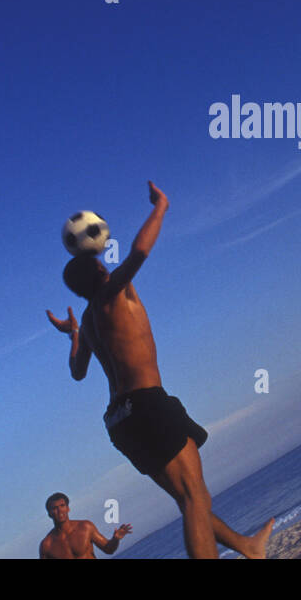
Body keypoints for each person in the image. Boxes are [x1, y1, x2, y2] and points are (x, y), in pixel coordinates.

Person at [47, 181, 272, 560]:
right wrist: (161, 206)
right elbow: (139, 251)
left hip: (119, 422)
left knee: (189, 501)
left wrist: (71, 335)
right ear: (100, 268)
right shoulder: (115, 291)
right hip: (147, 403)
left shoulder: (86, 322)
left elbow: (77, 373)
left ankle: (247, 546)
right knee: (196, 495)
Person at [39, 492, 132, 559]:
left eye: (62, 506)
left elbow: (109, 549)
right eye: (55, 508)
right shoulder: (46, 545)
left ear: (68, 508)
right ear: (49, 514)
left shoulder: (85, 527)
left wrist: (115, 539)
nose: (59, 511)